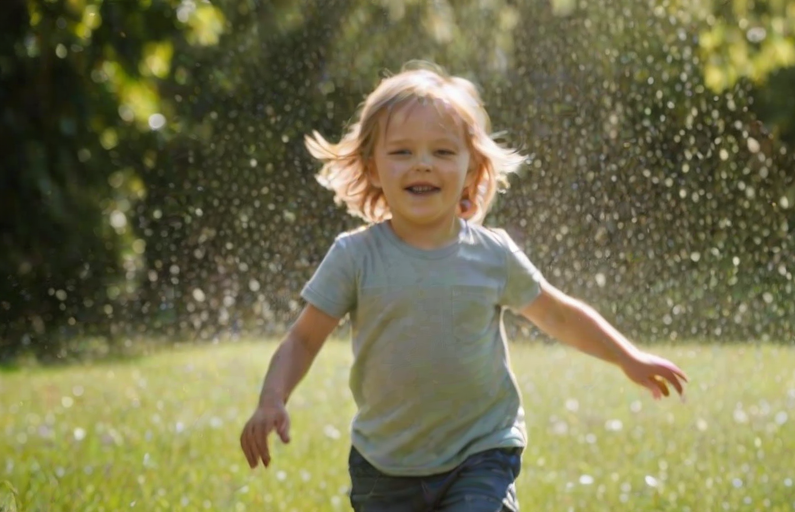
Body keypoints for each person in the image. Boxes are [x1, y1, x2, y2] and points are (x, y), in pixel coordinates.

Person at [239, 61, 688, 511]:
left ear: (471, 171)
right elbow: (303, 338)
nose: (422, 164)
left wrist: (628, 356)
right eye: (401, 152)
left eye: (442, 152)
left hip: (482, 450)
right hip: (386, 465)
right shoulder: (355, 256)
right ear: (373, 168)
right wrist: (271, 398)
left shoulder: (492, 255)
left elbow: (559, 314)